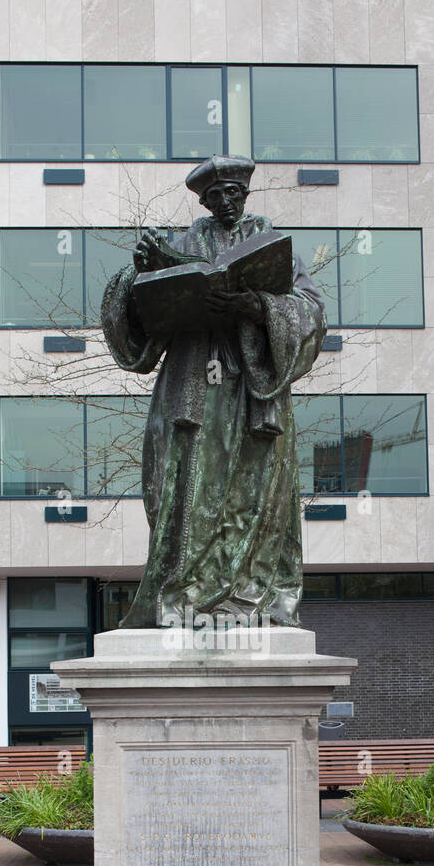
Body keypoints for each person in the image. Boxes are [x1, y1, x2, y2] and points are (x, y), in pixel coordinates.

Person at [100, 155, 327, 628]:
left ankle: (251, 595)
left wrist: (256, 305)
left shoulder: (273, 247)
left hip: (252, 392)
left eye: (235, 194)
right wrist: (138, 272)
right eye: (216, 195)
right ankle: (183, 593)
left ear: (246, 196)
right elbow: (132, 318)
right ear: (203, 200)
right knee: (181, 485)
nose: (227, 202)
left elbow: (311, 314)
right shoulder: (180, 244)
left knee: (254, 487)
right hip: (192, 388)